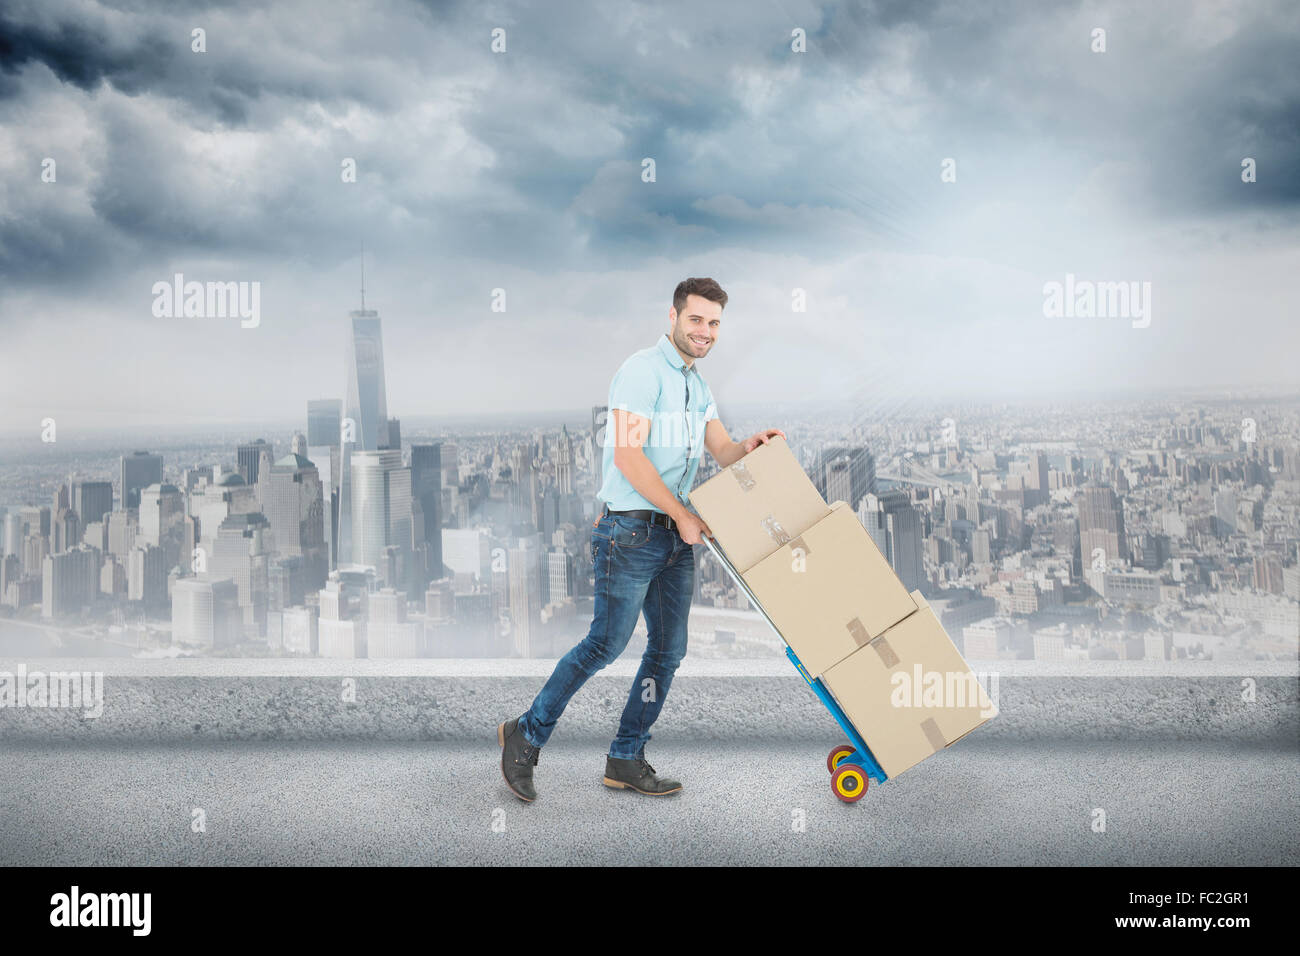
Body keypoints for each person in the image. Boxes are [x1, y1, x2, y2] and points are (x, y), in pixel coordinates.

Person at [497, 277, 786, 801]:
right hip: (631, 532)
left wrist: (751, 446)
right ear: (672, 317)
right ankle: (526, 735)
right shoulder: (640, 372)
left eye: (714, 323)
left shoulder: (697, 387)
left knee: (668, 650)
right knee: (605, 644)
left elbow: (721, 449)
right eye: (696, 319)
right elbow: (629, 458)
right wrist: (683, 515)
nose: (705, 331)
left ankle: (626, 757)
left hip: (674, 539)